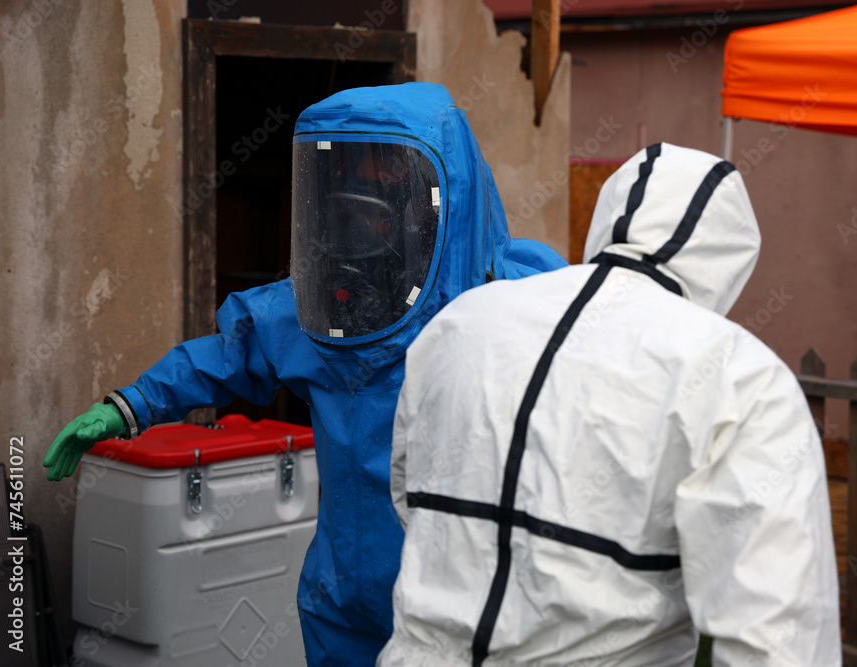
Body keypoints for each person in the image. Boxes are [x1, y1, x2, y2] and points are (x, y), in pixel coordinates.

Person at [42, 82, 568, 666]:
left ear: (442, 195)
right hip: (342, 596)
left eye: (385, 187)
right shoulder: (324, 310)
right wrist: (130, 404)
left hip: (458, 604)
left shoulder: (514, 297)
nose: (363, 214)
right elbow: (228, 355)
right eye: (349, 190)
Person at [379, 143, 841, 666]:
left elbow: (410, 499)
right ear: (731, 258)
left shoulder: (463, 322)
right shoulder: (740, 375)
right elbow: (777, 636)